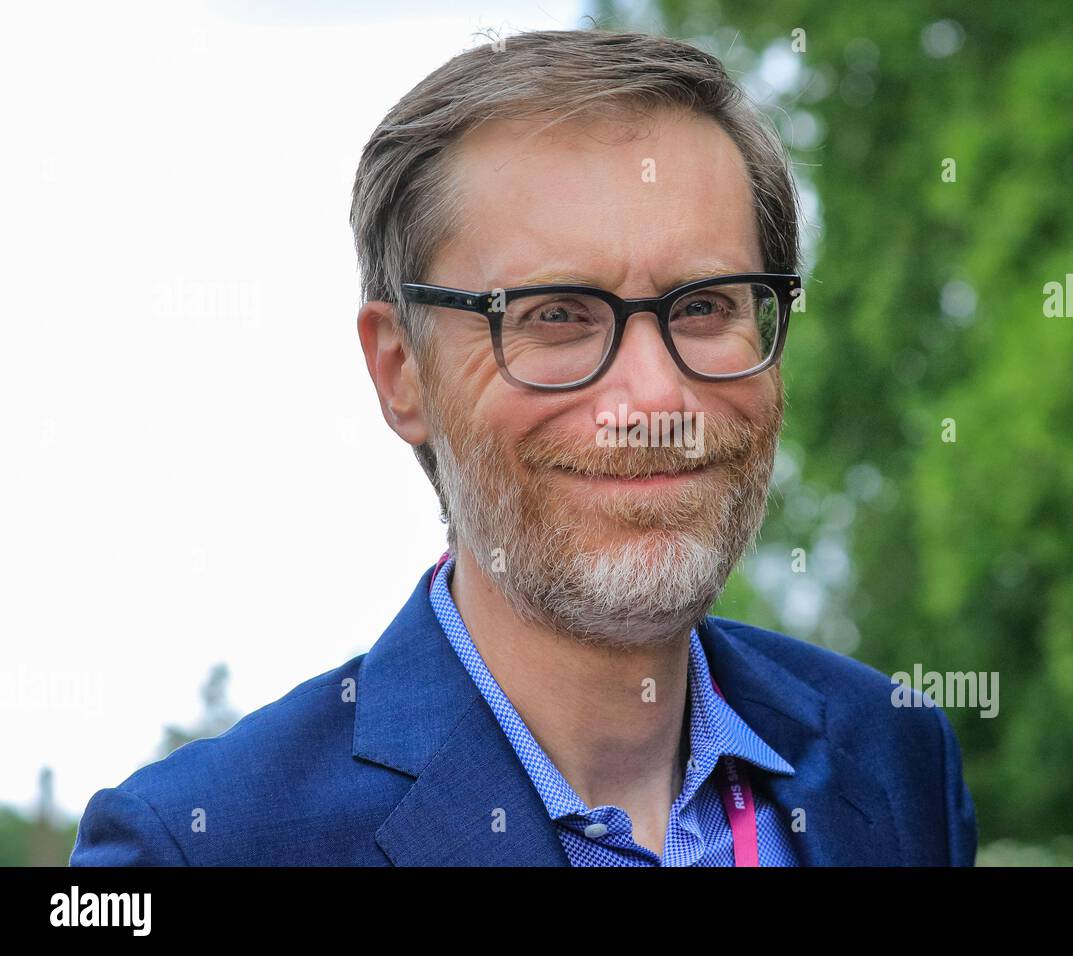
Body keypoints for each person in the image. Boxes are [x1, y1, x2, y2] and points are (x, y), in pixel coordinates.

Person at [70, 28, 976, 867]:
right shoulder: (210, 846)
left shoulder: (893, 757)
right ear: (401, 373)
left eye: (704, 307)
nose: (654, 399)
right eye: (556, 317)